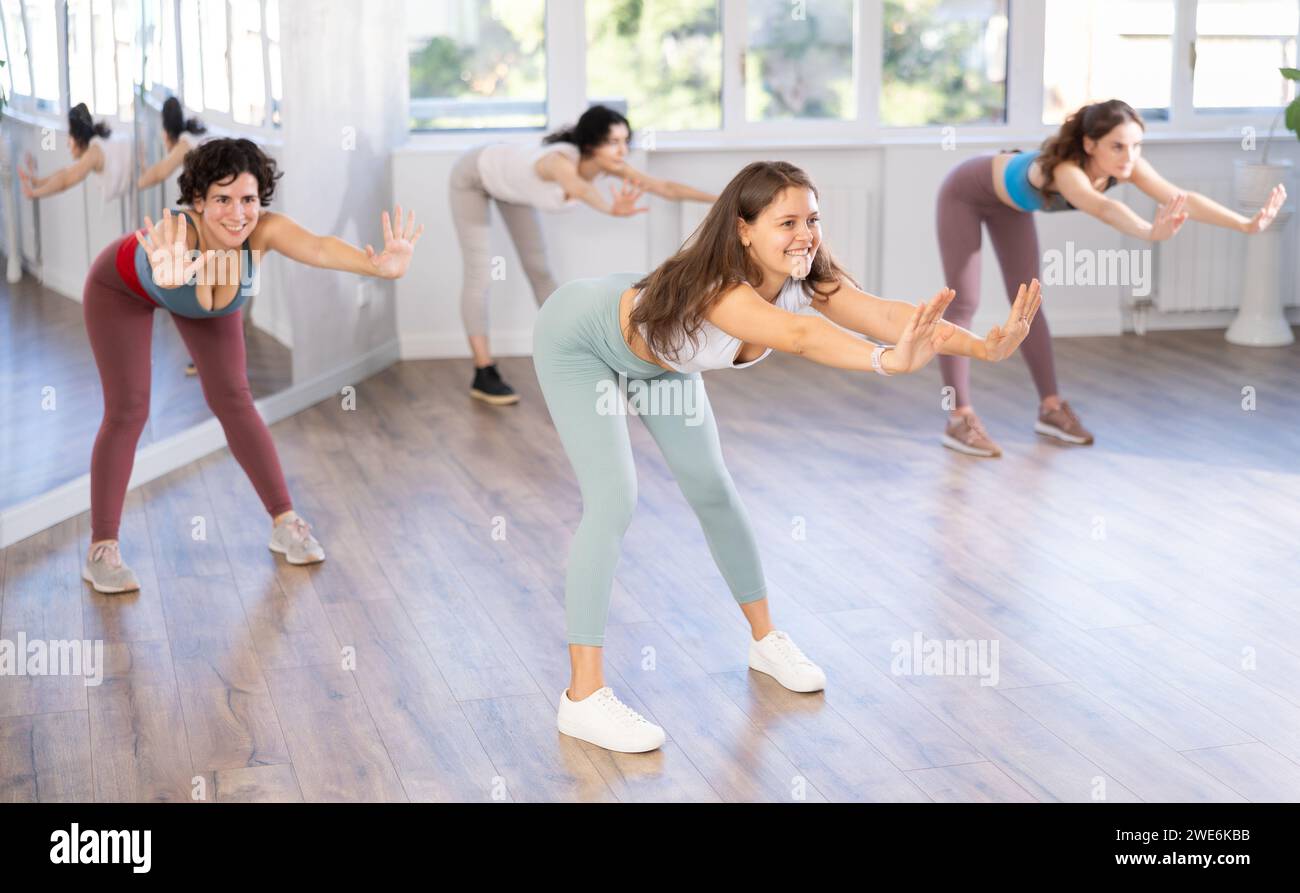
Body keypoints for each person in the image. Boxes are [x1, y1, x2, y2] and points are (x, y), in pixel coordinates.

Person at [531, 160, 1041, 752]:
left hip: (659, 357)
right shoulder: (720, 289)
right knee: (614, 500)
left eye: (813, 219)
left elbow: (884, 315)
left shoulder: (802, 275)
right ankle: (583, 698)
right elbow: (800, 337)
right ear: (744, 229)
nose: (805, 233)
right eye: (787, 221)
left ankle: (766, 639)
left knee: (712, 489)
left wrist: (983, 345)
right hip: (580, 338)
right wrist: (884, 362)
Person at [80, 138, 423, 594]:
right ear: (198, 201)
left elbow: (319, 248)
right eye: (222, 199)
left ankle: (285, 521)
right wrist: (165, 274)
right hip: (119, 289)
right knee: (129, 411)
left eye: (248, 199)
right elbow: (157, 265)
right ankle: (102, 548)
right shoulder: (176, 238)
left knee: (234, 398)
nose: (237, 214)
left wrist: (377, 267)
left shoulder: (261, 231)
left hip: (197, 292)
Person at [936, 98, 1288, 457]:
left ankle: (1051, 409)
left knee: (1027, 305)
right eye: (1118, 146)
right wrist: (1150, 232)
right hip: (965, 194)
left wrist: (1244, 224)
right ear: (1090, 144)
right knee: (964, 303)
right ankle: (958, 418)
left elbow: (1182, 200)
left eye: (1136, 146)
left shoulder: (1126, 165)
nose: (1129, 157)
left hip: (1012, 206)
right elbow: (1104, 207)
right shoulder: (1066, 171)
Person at [451, 104, 716, 405]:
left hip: (510, 186)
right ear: (590, 144)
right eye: (613, 142)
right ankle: (484, 371)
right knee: (481, 274)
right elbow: (577, 186)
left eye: (625, 141)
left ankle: (573, 349)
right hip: (474, 175)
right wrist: (609, 208)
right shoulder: (557, 161)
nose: (622, 150)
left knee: (538, 268)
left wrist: (723, 201)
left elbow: (664, 187)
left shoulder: (611, 166)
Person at [137, 96, 211, 376]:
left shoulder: (184, 144)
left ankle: (203, 359)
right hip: (218, 216)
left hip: (206, 220)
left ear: (166, 129)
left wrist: (139, 181)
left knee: (196, 290)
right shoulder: (199, 135)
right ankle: (210, 358)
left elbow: (159, 173)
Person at [18, 102, 132, 204]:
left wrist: (33, 193)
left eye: (69, 137)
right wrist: (37, 182)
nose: (68, 144)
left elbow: (65, 180)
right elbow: (65, 172)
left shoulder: (93, 153)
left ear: (78, 137)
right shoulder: (98, 144)